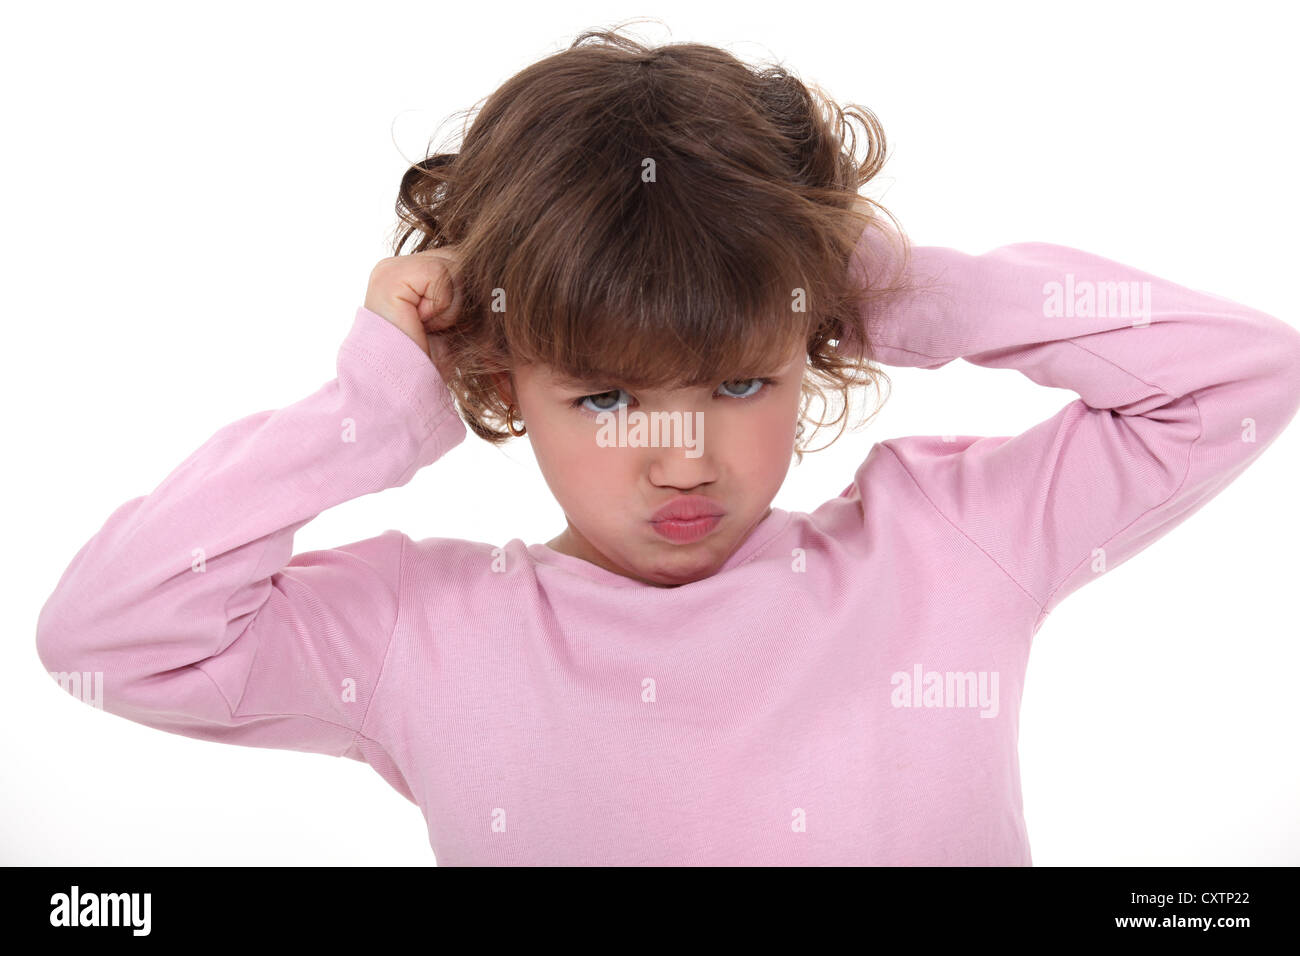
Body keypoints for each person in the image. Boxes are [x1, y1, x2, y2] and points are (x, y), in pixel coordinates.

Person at [34, 27, 1300, 865]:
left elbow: (1245, 372)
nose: (683, 458)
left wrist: (889, 285)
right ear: (494, 372)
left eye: (741, 379)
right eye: (603, 400)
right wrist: (367, 414)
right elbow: (109, 635)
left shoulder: (942, 545)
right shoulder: (420, 629)